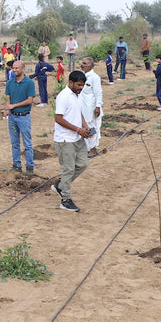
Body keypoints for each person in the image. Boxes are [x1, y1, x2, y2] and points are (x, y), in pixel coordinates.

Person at [52, 70, 91, 212]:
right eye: (79, 85)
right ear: (71, 83)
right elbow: (58, 118)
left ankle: (60, 186)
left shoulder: (77, 95)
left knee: (82, 164)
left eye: (83, 85)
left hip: (77, 137)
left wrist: (85, 126)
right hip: (65, 139)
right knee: (68, 169)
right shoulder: (63, 96)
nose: (81, 87)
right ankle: (65, 200)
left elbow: (78, 111)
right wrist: (77, 129)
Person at [4, 60, 37, 175]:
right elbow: (7, 96)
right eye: (13, 68)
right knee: (15, 143)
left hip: (24, 117)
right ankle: (16, 165)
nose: (14, 70)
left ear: (23, 69)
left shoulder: (29, 83)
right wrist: (7, 108)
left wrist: (14, 105)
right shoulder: (10, 83)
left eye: (17, 68)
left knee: (27, 143)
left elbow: (30, 100)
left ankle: (29, 167)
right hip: (13, 117)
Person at [79, 57, 104, 156]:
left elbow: (98, 93)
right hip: (83, 106)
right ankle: (87, 148)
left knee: (92, 127)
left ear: (90, 66)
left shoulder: (94, 77)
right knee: (84, 127)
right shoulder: (82, 76)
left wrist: (98, 107)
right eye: (82, 63)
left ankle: (93, 149)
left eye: (84, 63)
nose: (82, 65)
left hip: (92, 107)